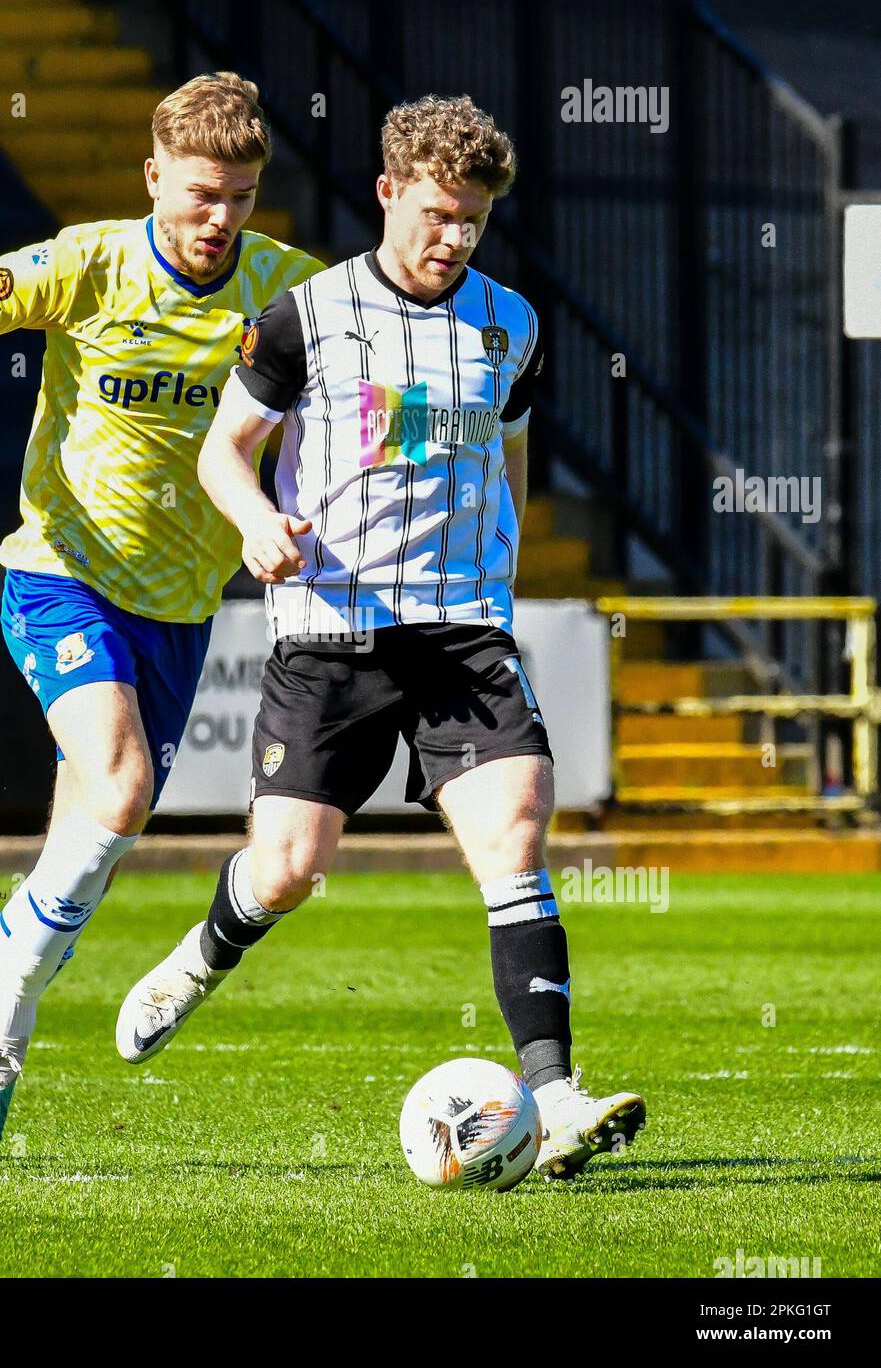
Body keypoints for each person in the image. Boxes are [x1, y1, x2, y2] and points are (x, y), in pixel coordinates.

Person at [116, 93, 645, 1181]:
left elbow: (504, 453)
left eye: (472, 220)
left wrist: (492, 566)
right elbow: (225, 452)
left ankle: (552, 1101)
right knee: (290, 867)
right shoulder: (302, 319)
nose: (452, 238)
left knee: (515, 837)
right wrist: (257, 520)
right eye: (437, 214)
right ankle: (202, 953)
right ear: (388, 192)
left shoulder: (513, 326)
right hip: (331, 633)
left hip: (459, 636)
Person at [0, 73, 323, 1169]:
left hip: (179, 609)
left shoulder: (287, 291)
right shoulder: (84, 264)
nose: (220, 219)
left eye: (242, 197)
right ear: (153, 175)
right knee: (120, 789)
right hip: (61, 574)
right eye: (202, 193)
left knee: (88, 844)